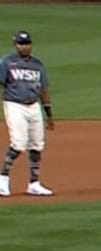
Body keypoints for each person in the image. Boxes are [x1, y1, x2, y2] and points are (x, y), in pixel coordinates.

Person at [1, 30, 54, 198]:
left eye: (26, 44)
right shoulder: (7, 63)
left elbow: (44, 90)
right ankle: (2, 178)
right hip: (14, 104)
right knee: (18, 143)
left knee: (37, 145)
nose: (24, 47)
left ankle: (34, 183)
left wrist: (49, 114)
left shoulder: (38, 65)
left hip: (34, 106)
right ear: (15, 45)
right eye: (20, 44)